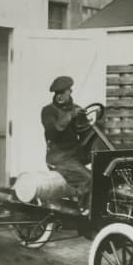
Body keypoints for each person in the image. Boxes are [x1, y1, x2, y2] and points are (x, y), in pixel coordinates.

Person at [41, 75, 93, 214]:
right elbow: (53, 131)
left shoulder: (76, 109)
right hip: (58, 157)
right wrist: (70, 116)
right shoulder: (48, 111)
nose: (59, 96)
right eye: (57, 93)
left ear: (70, 91)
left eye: (63, 92)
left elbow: (85, 134)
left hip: (74, 155)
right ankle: (84, 210)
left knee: (104, 169)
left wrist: (90, 122)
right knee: (89, 178)